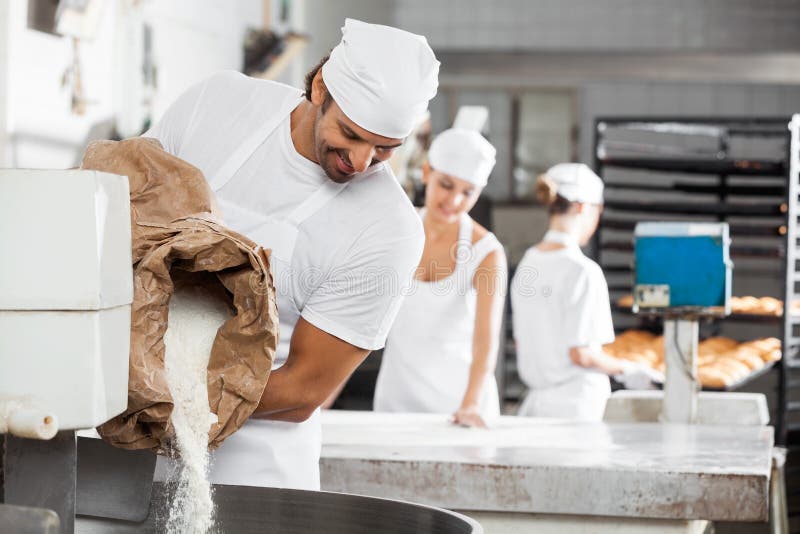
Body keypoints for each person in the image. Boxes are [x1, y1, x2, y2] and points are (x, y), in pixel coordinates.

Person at [145, 19, 439, 489]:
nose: (361, 162)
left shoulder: (389, 229)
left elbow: (304, 388)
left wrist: (169, 400)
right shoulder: (217, 105)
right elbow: (126, 207)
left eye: (385, 149)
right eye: (351, 134)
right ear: (320, 86)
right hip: (126, 444)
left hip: (255, 465)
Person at [373, 128, 507, 428]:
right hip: (396, 400)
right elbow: (360, 320)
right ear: (426, 173)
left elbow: (485, 340)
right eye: (446, 185)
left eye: (468, 192)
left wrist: (470, 405)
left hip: (460, 405)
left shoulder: (486, 252)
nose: (454, 200)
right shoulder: (395, 230)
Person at [510, 163, 662, 421]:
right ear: (583, 208)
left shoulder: (528, 264)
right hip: (575, 408)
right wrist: (629, 371)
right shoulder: (582, 271)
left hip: (537, 407)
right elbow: (581, 354)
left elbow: (521, 342)